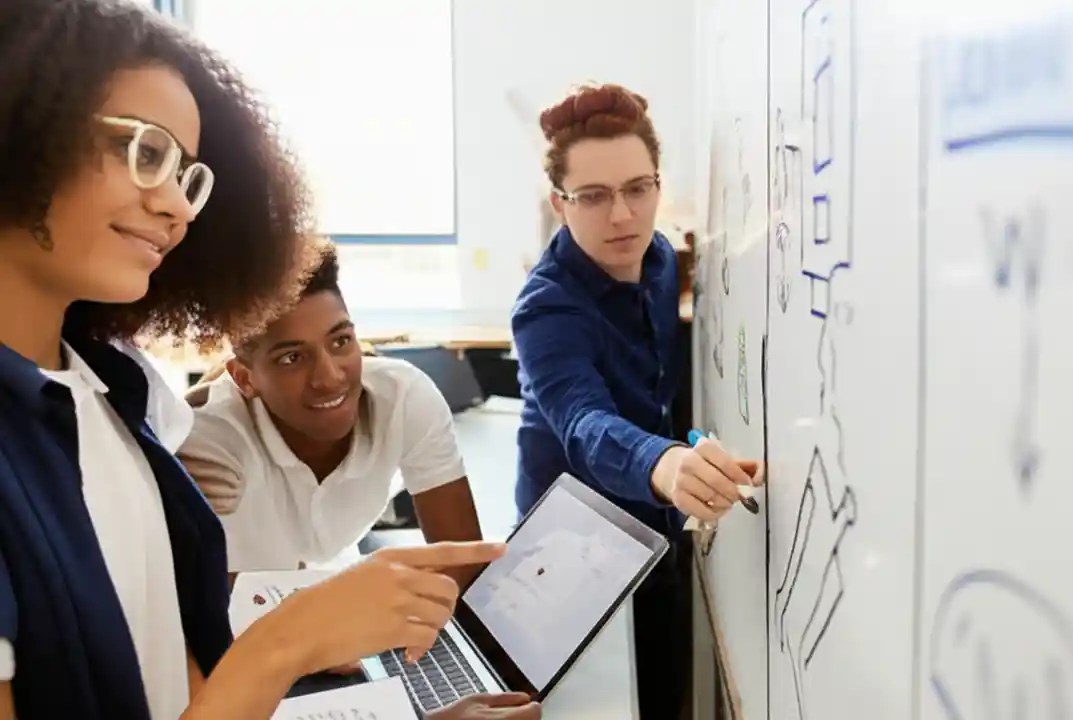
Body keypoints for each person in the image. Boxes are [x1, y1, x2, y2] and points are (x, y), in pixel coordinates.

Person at [0, 2, 515, 718]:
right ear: (24, 123)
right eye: (145, 151)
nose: (177, 207)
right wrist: (285, 645)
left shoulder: (120, 401)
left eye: (187, 175)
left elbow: (183, 693)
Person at [511, 82, 761, 718]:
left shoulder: (658, 259)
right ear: (559, 203)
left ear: (656, 184)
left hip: (661, 529)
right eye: (593, 196)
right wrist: (665, 463)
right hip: (570, 557)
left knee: (667, 687)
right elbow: (585, 423)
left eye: (637, 189)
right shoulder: (546, 309)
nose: (620, 215)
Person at [179, 241, 485, 585]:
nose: (330, 377)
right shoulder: (211, 442)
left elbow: (463, 561)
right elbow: (227, 614)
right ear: (244, 377)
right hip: (264, 620)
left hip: (338, 588)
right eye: (291, 357)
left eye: (340, 341)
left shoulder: (403, 397)